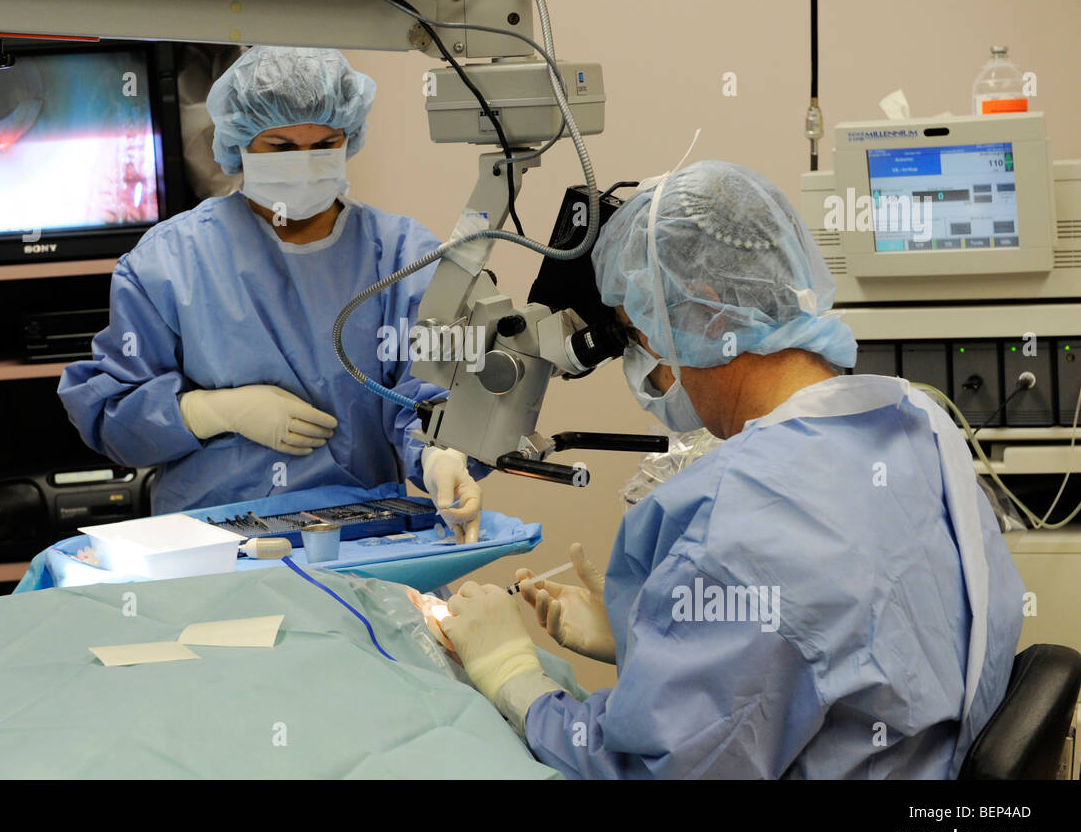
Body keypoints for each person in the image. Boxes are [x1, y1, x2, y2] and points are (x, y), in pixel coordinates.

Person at [437, 160, 1025, 778]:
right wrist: (652, 643)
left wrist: (515, 678)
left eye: (640, 335)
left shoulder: (742, 522)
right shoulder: (918, 423)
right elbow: (847, 651)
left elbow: (649, 770)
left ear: (711, 315)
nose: (644, 368)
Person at [59, 46, 483, 541]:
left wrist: (440, 452)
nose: (303, 164)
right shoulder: (170, 261)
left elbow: (426, 391)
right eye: (280, 147)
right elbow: (114, 416)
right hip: (210, 543)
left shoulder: (399, 255)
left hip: (360, 539)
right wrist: (210, 412)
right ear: (239, 144)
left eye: (325, 143)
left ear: (350, 138)